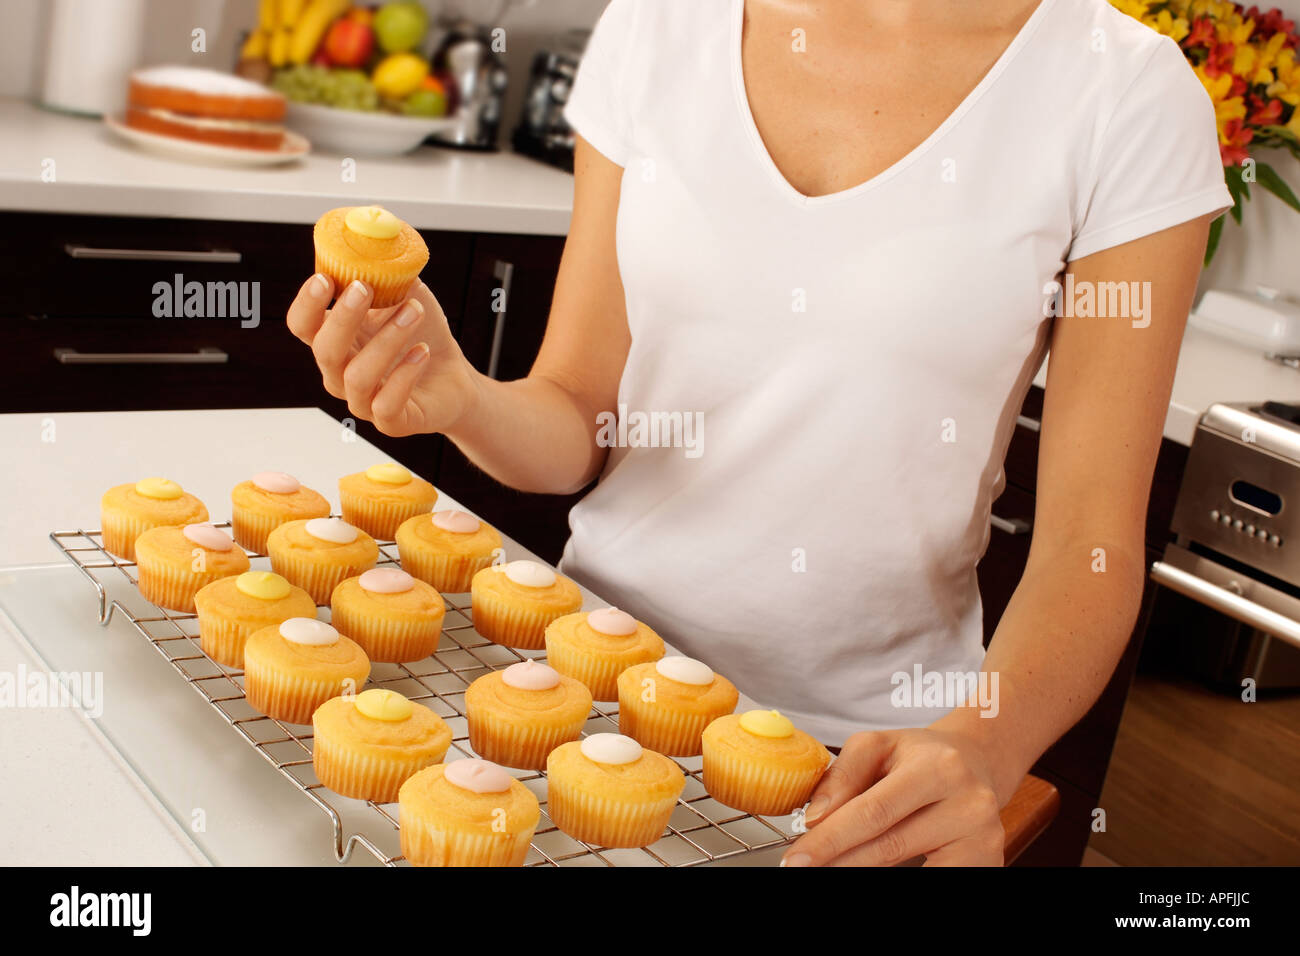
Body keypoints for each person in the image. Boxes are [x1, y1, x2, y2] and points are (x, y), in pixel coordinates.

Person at [286, 0, 1232, 865]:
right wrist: (459, 399)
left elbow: (1090, 544)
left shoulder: (1124, 93)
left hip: (854, 765)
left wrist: (982, 748)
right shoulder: (659, 25)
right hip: (576, 695)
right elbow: (581, 411)